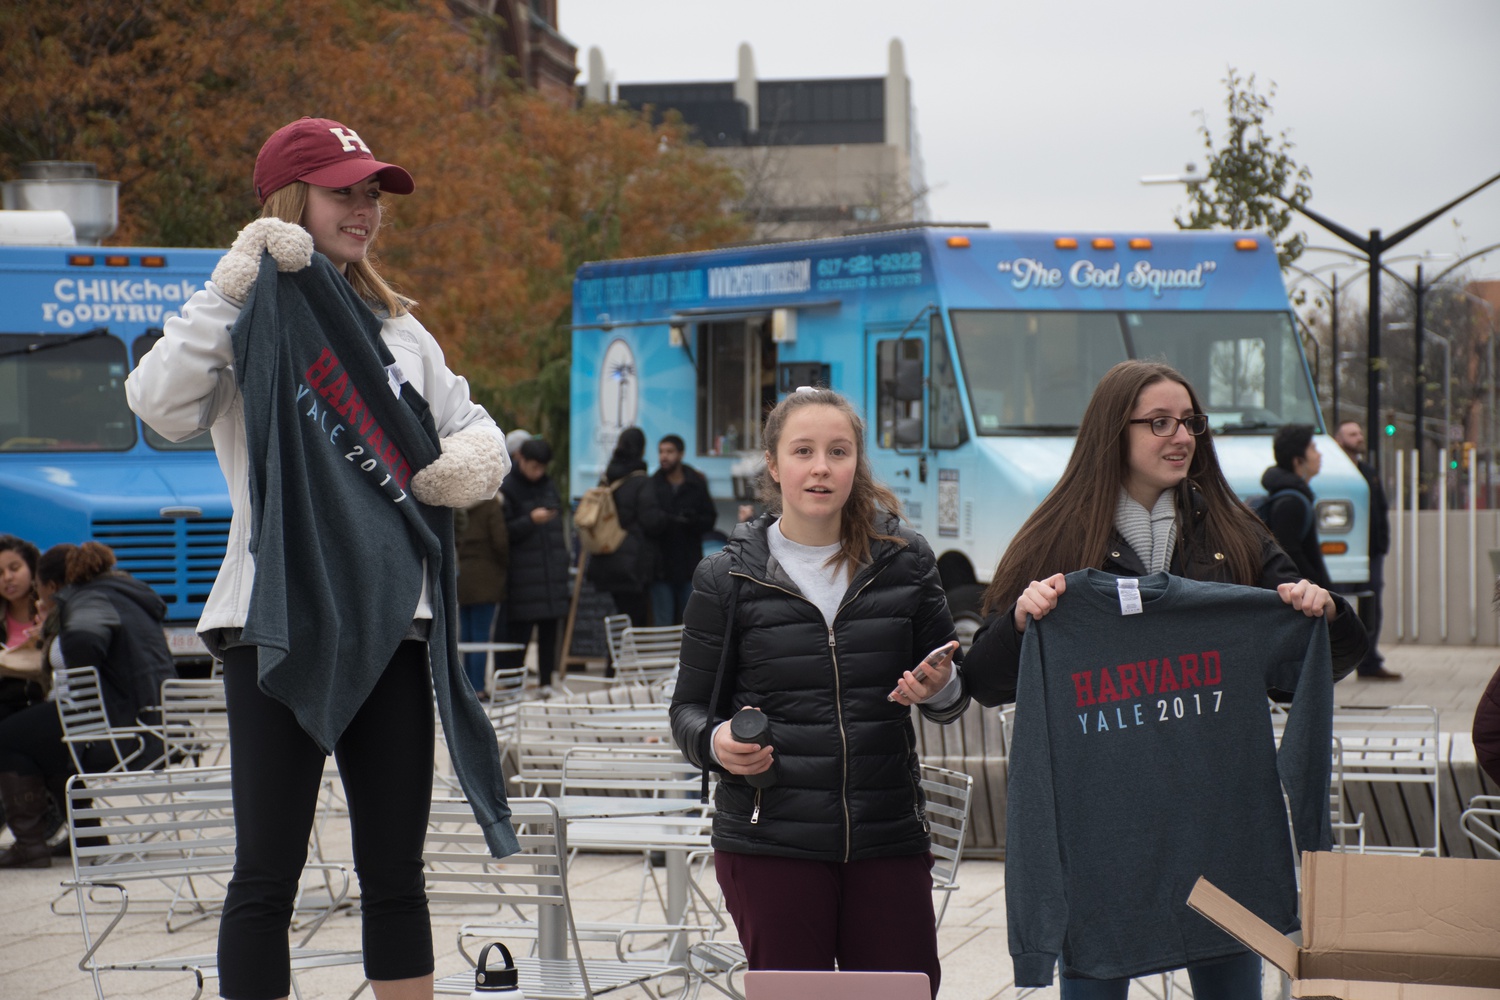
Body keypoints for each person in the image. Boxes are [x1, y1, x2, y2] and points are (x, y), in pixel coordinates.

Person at [126, 116, 517, 1000]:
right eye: (345, 192)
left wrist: (468, 461)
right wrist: (233, 281)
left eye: (372, 193)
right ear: (291, 200)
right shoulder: (248, 311)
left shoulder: (401, 329)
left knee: (396, 871)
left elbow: (471, 421)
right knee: (266, 872)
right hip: (274, 614)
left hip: (394, 620)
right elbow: (157, 402)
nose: (365, 209)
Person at [962, 360, 1366, 997]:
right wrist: (1019, 621)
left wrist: (1327, 612)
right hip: (1104, 829)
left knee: (1231, 983)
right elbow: (984, 679)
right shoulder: (1058, 536)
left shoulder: (1236, 534)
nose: (1181, 437)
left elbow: (1305, 669)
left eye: (1190, 422)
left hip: (1220, 823)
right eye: (1159, 423)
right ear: (1113, 432)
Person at [669, 387, 968, 999]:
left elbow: (949, 692)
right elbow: (688, 711)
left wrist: (940, 687)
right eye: (803, 451)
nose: (821, 467)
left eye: (838, 451)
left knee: (900, 994)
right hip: (769, 839)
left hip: (886, 834)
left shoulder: (905, 560)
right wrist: (718, 742)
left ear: (857, 463)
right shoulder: (726, 577)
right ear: (774, 465)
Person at [0, 542, 177, 869]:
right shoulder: (123, 594)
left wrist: (80, 681)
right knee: (43, 738)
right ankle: (87, 836)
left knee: (7, 737)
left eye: (40, 587)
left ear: (52, 585)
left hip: (124, 730)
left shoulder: (88, 599)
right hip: (153, 722)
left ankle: (29, 846)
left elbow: (85, 641)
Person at [501, 437, 571, 692]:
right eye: (534, 466)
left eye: (542, 467)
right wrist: (530, 520)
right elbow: (504, 532)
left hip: (550, 572)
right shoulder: (509, 487)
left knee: (549, 631)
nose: (538, 472)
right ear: (522, 460)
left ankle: (546, 682)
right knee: (519, 634)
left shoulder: (548, 485)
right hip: (523, 576)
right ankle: (512, 684)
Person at [1332, 420, 1400, 680]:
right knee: (1338, 606)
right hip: (1341, 552)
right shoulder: (1333, 474)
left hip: (1371, 552)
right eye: (1352, 434)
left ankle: (1369, 662)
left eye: (1360, 433)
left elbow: (1380, 508)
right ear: (1339, 440)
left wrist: (1381, 544)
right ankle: (1334, 663)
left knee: (1372, 607)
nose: (1359, 437)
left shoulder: (1369, 472)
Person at [585, 426, 666, 629]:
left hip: (607, 556)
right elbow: (650, 520)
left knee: (619, 616)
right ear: (642, 449)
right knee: (636, 620)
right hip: (634, 562)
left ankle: (615, 650)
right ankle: (628, 651)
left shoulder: (606, 478)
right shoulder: (641, 481)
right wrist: (666, 518)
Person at [649, 434, 718, 626]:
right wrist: (666, 520)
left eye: (669, 451)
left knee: (691, 623)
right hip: (661, 568)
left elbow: (710, 518)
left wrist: (692, 521)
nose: (664, 456)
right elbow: (648, 521)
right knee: (663, 624)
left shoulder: (696, 483)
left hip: (689, 566)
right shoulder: (653, 484)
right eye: (661, 452)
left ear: (681, 454)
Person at [1260, 423, 1334, 589]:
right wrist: (1317, 585)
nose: (1319, 455)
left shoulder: (1290, 495)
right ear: (1298, 461)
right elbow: (1291, 555)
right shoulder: (1291, 503)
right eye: (1313, 448)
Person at [456, 496, 509, 695]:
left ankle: (465, 687)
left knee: (466, 636)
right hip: (486, 576)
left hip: (463, 575)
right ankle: (478, 687)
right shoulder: (491, 505)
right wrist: (505, 565)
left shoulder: (459, 503)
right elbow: (500, 541)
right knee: (481, 635)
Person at [0, 534, 46, 721]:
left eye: (15, 568)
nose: (7, 578)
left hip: (42, 705)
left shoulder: (50, 613)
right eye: (0, 573)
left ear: (32, 569)